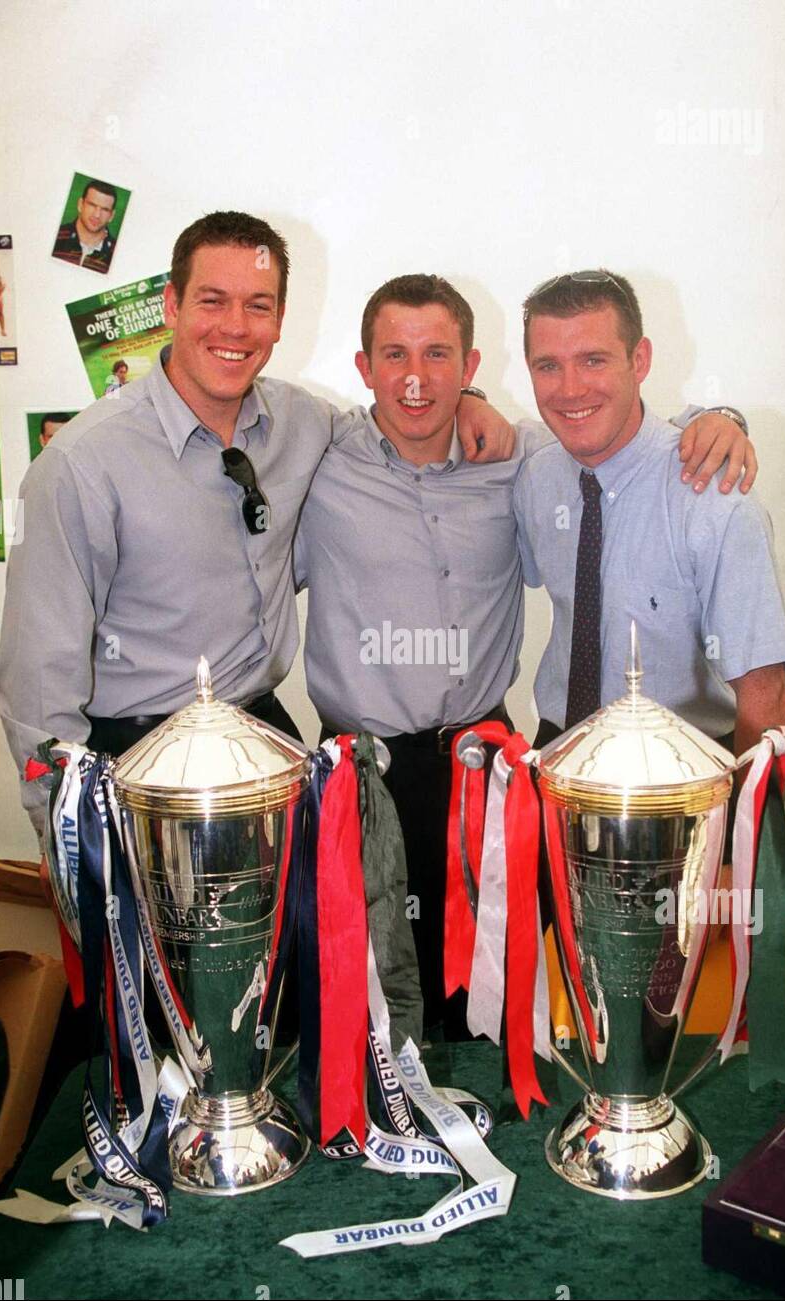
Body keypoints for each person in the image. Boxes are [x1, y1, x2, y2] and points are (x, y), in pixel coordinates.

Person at [294, 273, 756, 1036]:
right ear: (362, 365)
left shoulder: (520, 456)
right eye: (395, 354)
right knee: (357, 1002)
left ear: (470, 365)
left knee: (493, 1006)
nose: (416, 378)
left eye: (438, 354)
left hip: (485, 775)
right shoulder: (317, 458)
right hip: (358, 773)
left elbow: (622, 436)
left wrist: (720, 418)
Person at [0, 213, 510, 838]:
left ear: (279, 319)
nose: (236, 327)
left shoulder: (306, 424)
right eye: (213, 301)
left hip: (268, 752)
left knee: (298, 939)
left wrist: (472, 398)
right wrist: (69, 835)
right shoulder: (82, 464)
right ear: (172, 305)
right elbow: (36, 682)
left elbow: (406, 415)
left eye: (257, 306)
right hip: (136, 764)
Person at [514, 270, 785, 755]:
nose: (570, 389)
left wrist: (743, 827)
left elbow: (764, 697)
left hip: (684, 771)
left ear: (639, 359)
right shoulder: (536, 478)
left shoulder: (713, 495)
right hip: (558, 753)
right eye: (548, 366)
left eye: (593, 360)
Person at [52, 180, 118, 273]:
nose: (97, 215)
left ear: (111, 216)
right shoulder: (54, 236)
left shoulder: (117, 253)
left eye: (105, 210)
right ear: (80, 205)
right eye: (92, 205)